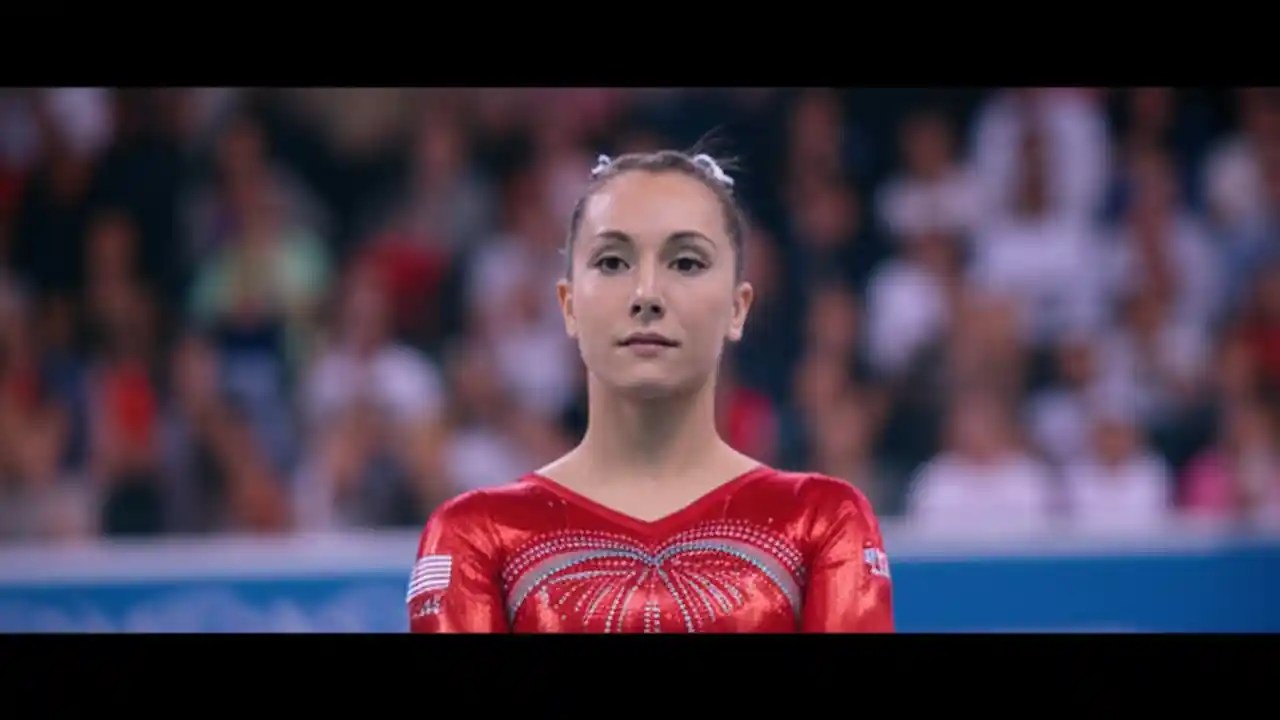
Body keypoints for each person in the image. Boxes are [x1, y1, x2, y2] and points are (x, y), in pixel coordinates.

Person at [407, 147, 894, 633]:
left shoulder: (819, 522)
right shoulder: (480, 535)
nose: (646, 295)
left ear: (737, 307)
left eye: (685, 262)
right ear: (569, 304)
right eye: (613, 261)